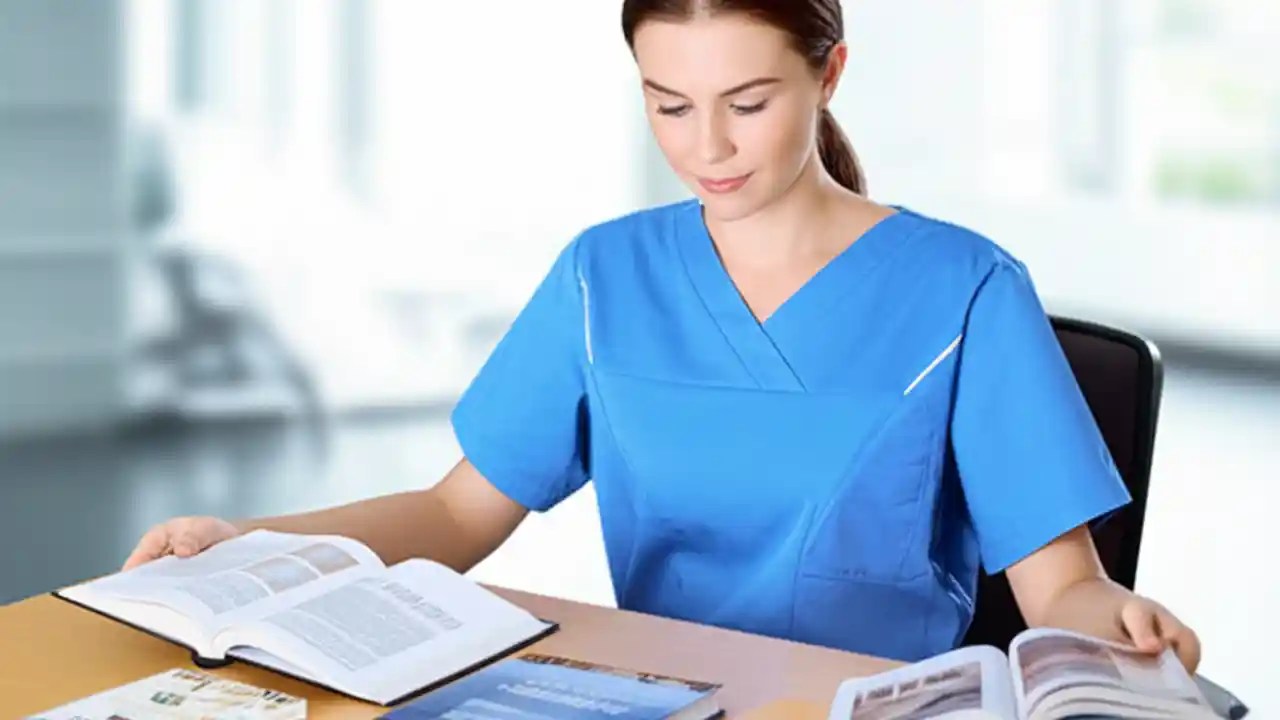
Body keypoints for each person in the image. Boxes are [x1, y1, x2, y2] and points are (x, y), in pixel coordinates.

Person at [123, 0, 1201, 672]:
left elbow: (1057, 587)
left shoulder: (963, 287)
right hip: (656, 696)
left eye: (747, 102)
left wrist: (1115, 620)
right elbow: (456, 511)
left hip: (864, 708)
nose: (708, 148)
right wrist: (255, 543)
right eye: (668, 105)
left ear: (826, 74)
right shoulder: (606, 273)